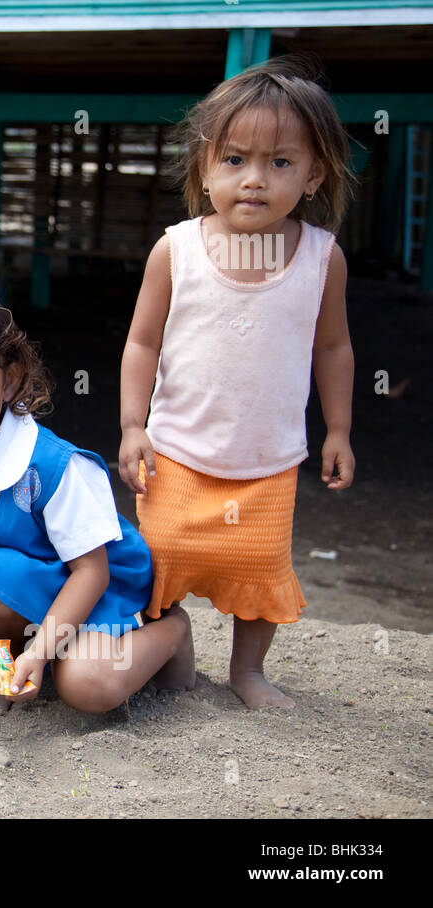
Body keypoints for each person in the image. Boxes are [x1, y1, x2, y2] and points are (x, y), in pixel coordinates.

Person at [119, 55, 356, 708]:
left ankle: (248, 673)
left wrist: (339, 429)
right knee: (157, 560)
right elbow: (142, 342)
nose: (254, 179)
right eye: (235, 160)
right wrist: (133, 426)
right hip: (177, 450)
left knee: (259, 567)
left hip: (267, 458)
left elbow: (333, 347)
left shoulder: (320, 258)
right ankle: (172, 648)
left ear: (314, 175)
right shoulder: (177, 250)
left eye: (280, 162)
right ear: (204, 167)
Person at [0, 286, 195, 712]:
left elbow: (92, 571)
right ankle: (18, 666)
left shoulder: (52, 465)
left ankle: (172, 632)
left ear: (9, 381)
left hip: (92, 588)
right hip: (12, 588)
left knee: (87, 687)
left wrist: (41, 651)